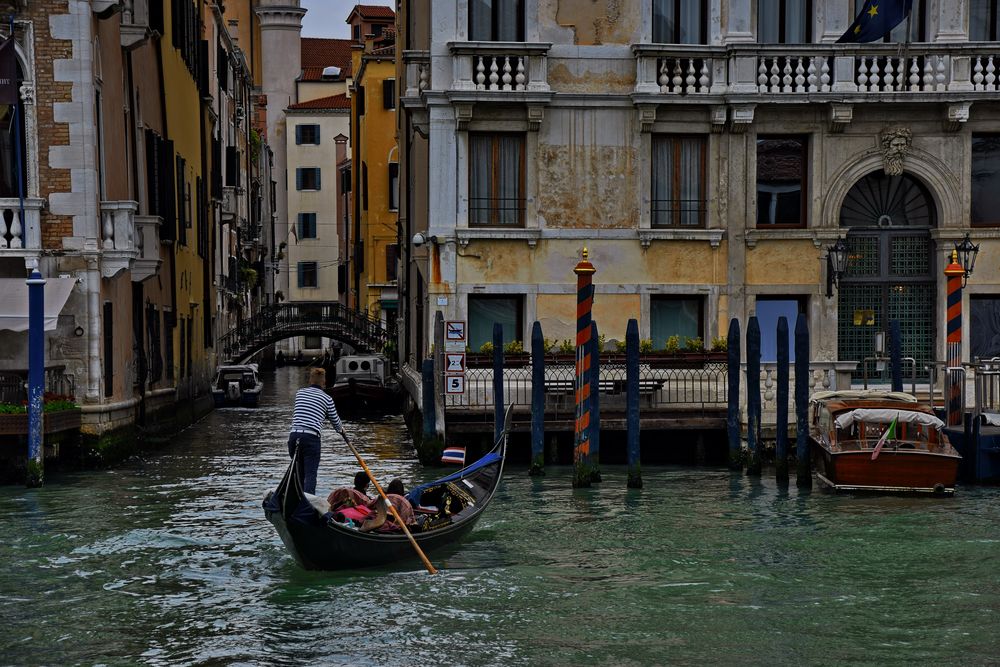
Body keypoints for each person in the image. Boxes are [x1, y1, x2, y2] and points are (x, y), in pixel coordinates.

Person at [288, 367, 344, 495]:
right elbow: (336, 423)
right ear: (324, 383)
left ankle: (298, 500)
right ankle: (308, 506)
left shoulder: (300, 393)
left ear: (310, 381)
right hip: (311, 439)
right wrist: (341, 430)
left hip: (294, 436)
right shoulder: (327, 399)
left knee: (299, 473)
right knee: (310, 475)